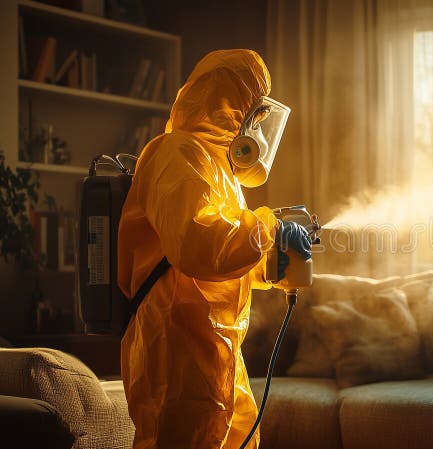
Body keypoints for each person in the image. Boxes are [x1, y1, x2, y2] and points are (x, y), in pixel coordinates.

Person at [117, 49, 311, 449]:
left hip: (216, 339)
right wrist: (264, 229)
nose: (257, 127)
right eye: (254, 114)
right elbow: (196, 244)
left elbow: (227, 258)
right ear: (228, 104)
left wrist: (273, 263)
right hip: (175, 337)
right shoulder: (175, 153)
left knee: (240, 437)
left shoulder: (220, 169)